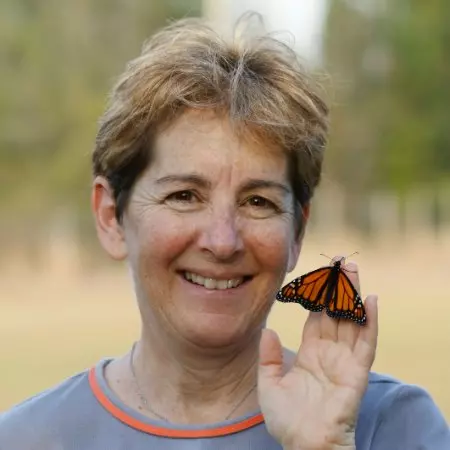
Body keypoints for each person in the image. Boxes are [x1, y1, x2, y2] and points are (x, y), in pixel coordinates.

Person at [1, 13, 448, 450]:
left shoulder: (393, 427)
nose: (222, 241)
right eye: (184, 195)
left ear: (297, 232)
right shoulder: (25, 438)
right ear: (110, 215)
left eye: (258, 202)